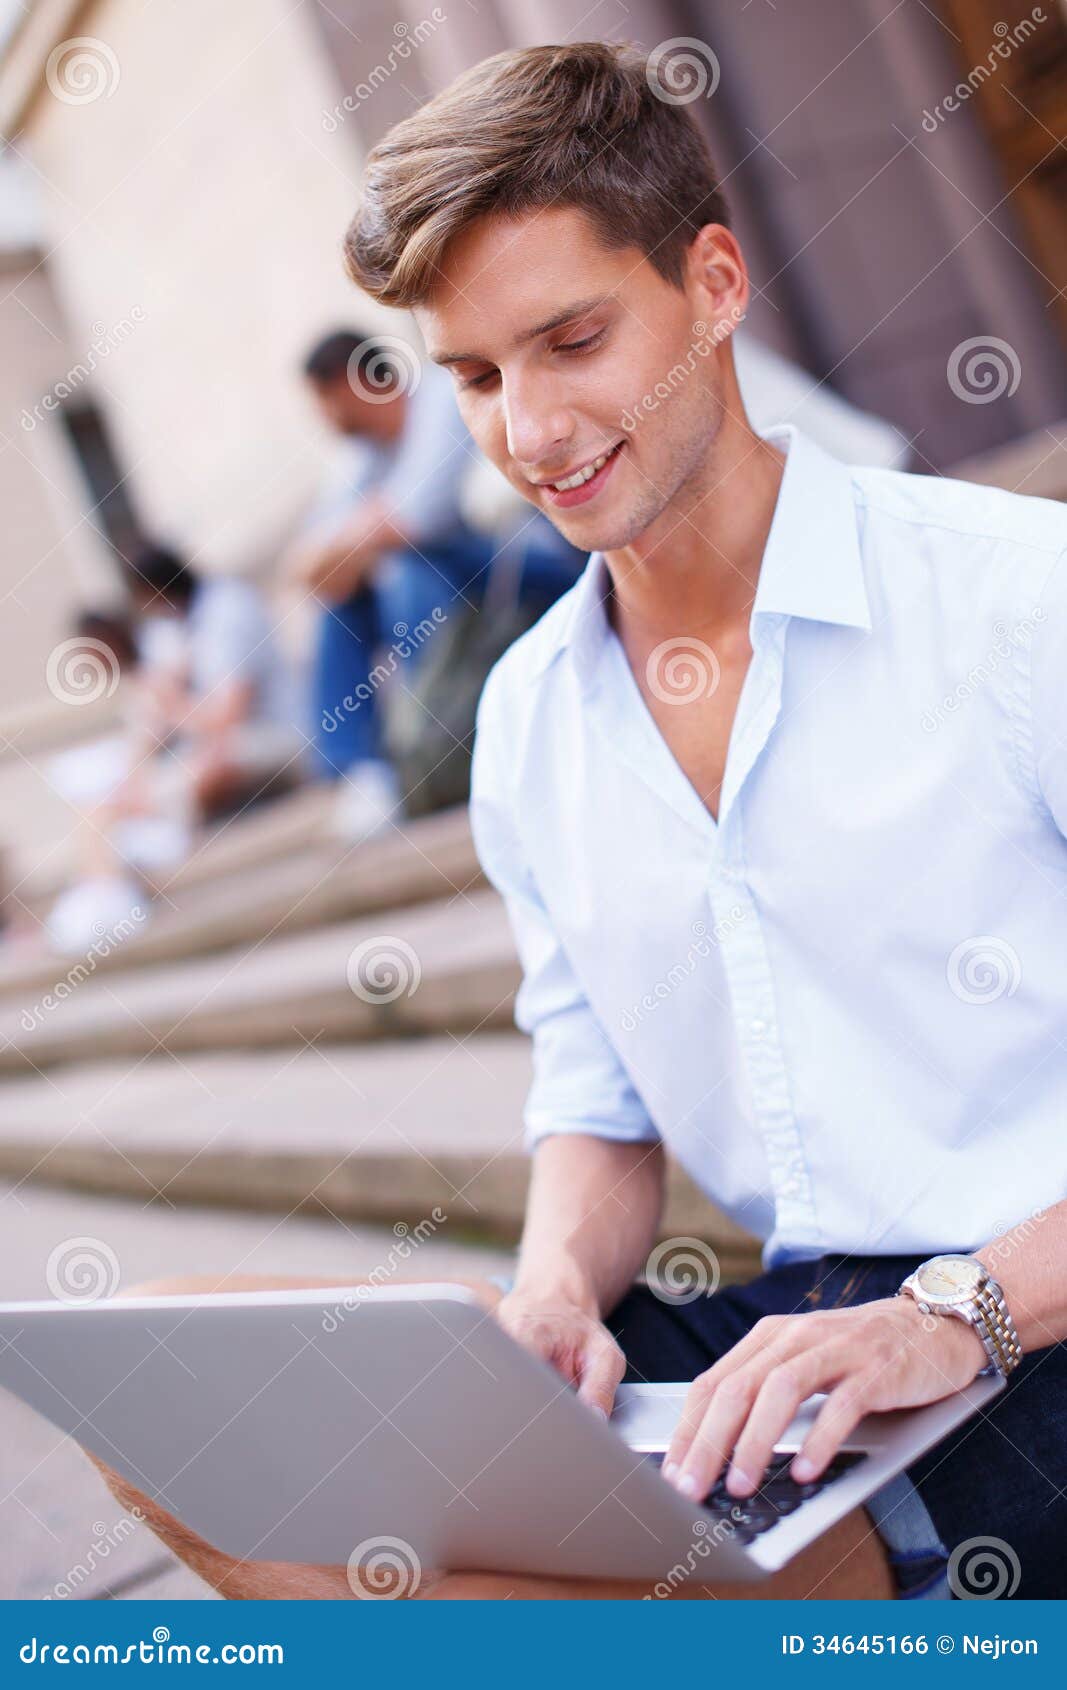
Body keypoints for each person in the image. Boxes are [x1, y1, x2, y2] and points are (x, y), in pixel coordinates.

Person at [90, 41, 1067, 1599]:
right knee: (175, 1402)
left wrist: (957, 1313)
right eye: (476, 377)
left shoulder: (1014, 600)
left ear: (714, 285)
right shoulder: (533, 719)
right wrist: (550, 1289)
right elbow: (598, 1108)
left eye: (571, 340)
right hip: (786, 1344)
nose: (531, 428)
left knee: (508, 1596)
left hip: (1030, 1325)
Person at [285, 328, 581, 839]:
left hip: (532, 557)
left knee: (407, 566)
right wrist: (363, 539)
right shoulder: (363, 457)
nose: (324, 419)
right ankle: (362, 773)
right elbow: (308, 568)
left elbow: (414, 520)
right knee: (345, 603)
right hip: (456, 576)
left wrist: (359, 541)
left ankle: (437, 741)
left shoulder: (442, 398)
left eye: (326, 401)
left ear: (354, 385)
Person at [45, 545, 303, 951]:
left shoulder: (228, 609)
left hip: (273, 739)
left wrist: (169, 703)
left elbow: (224, 718)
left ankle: (138, 861)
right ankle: (110, 887)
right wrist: (138, 769)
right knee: (104, 794)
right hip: (211, 748)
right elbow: (157, 720)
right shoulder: (171, 629)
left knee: (197, 771)